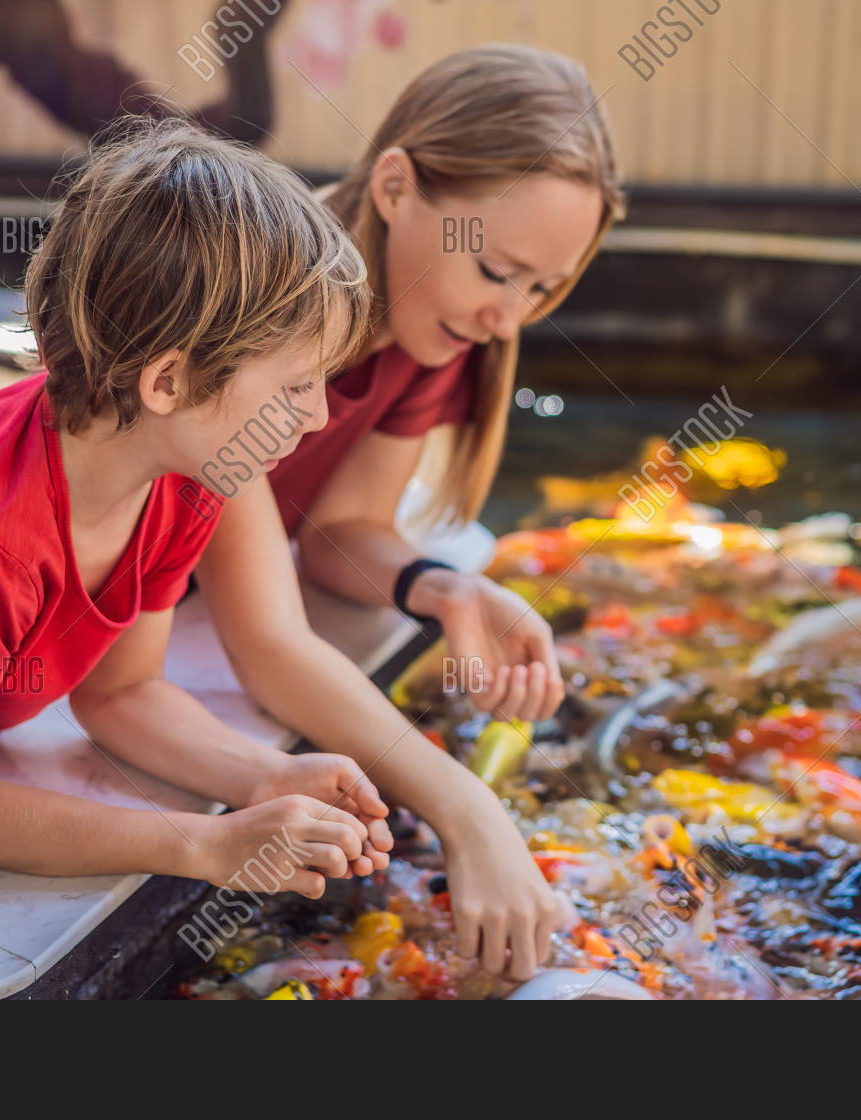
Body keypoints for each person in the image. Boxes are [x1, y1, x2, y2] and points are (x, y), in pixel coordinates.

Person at [0, 116, 393, 895]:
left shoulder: (187, 479)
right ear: (167, 382)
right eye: (296, 386)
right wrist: (206, 845)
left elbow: (120, 692)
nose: (319, 416)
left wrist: (264, 777)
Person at [194, 44, 624, 980]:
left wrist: (447, 590)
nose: (509, 318)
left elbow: (339, 529)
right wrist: (469, 811)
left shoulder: (429, 332)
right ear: (395, 187)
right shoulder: (254, 321)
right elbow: (268, 648)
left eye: (541, 288)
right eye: (498, 269)